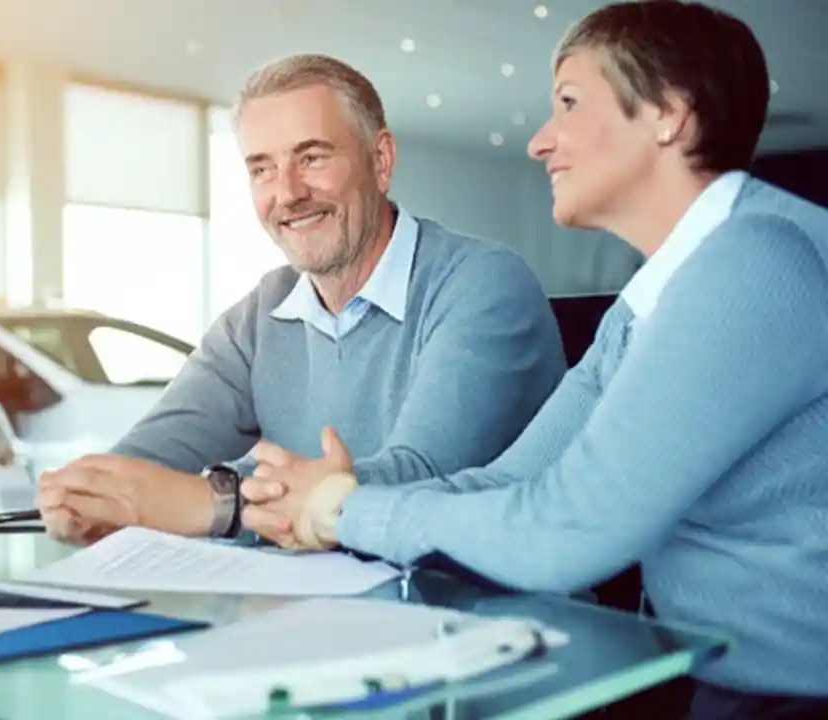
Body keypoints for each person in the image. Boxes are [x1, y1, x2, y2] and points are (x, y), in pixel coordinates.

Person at [240, 3, 828, 717]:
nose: (540, 142)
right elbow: (512, 479)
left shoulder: (758, 259)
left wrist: (342, 510)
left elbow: (565, 532)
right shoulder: (653, 298)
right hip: (722, 682)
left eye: (569, 105)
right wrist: (339, 506)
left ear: (669, 114)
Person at [36, 53, 567, 545]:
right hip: (322, 620)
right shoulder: (260, 315)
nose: (287, 193)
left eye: (311, 157)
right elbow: (148, 461)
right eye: (261, 168)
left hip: (486, 625)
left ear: (380, 161)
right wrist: (87, 494)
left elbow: (419, 477)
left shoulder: (484, 285)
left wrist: (219, 503)